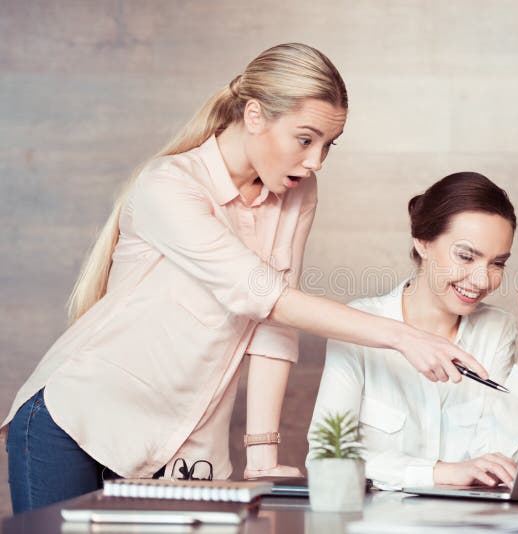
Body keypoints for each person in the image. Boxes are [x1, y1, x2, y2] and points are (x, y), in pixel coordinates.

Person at [2, 43, 488, 514]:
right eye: (305, 139)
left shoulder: (297, 192)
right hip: (76, 420)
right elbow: (264, 295)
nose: (316, 161)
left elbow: (273, 325)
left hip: (181, 447)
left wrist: (261, 450)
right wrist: (402, 337)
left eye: (327, 145)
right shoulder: (169, 185)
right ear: (254, 115)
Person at [307, 171, 518, 489]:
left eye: (497, 264)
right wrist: (441, 471)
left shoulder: (497, 330)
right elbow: (326, 458)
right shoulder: (360, 325)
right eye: (466, 256)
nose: (482, 280)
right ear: (423, 241)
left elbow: (502, 463)